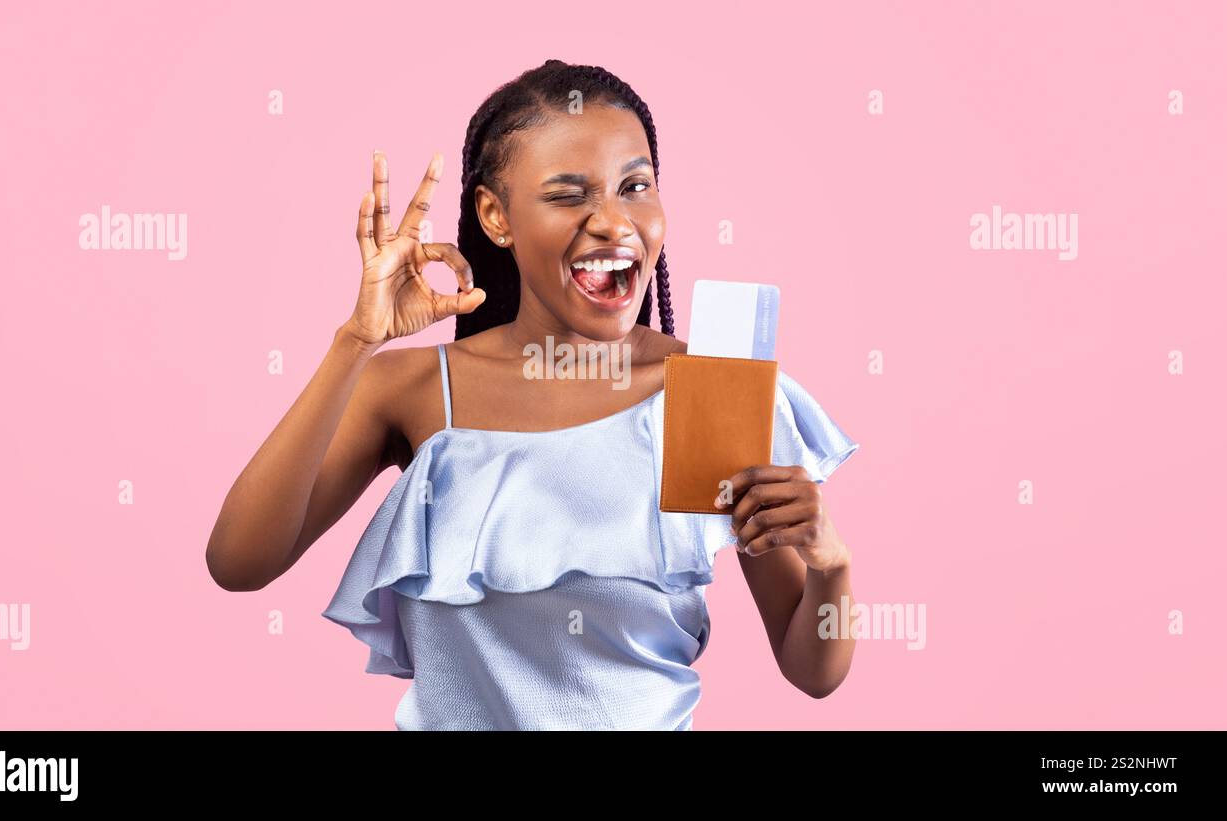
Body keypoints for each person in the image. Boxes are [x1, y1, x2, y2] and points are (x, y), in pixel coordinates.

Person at [206, 59, 860, 730]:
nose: (613, 221)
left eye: (635, 185)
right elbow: (238, 562)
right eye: (569, 193)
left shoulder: (712, 389)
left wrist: (830, 562)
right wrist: (356, 339)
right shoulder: (414, 391)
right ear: (495, 215)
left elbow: (813, 669)